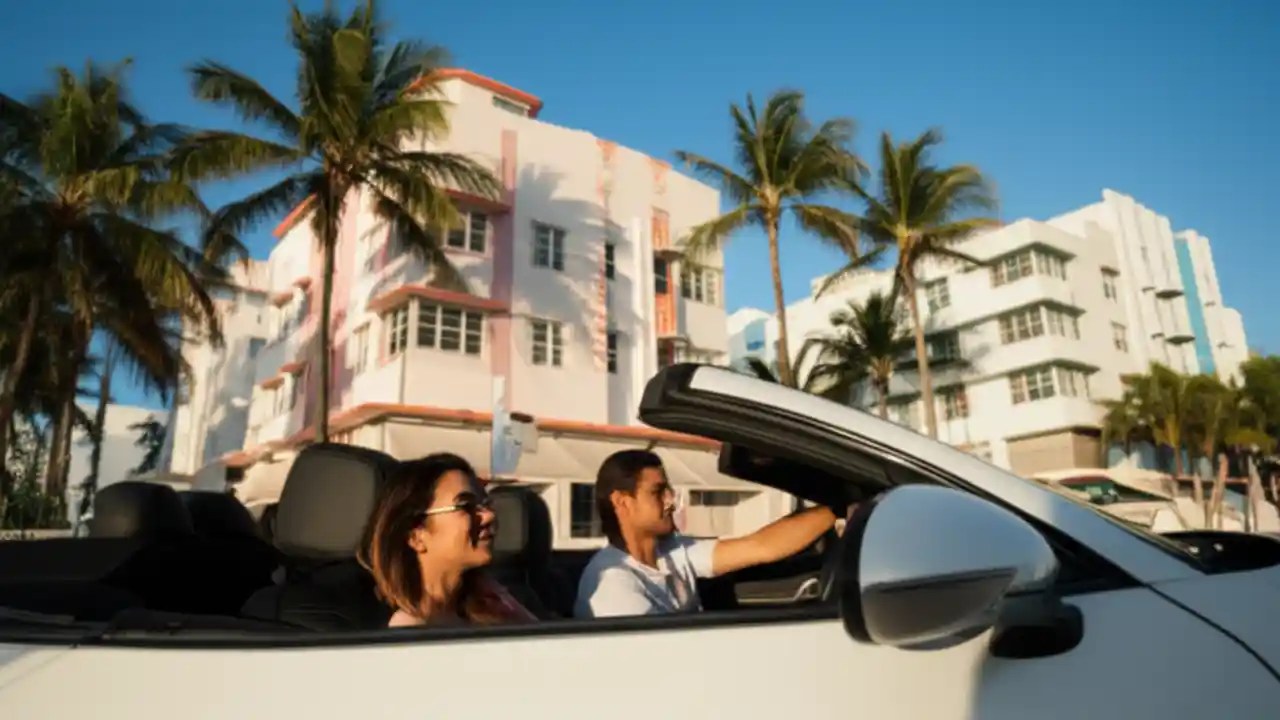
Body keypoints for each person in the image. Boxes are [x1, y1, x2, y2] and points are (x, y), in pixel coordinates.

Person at [574, 449, 840, 618]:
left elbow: (761, 547)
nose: (671, 500)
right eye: (657, 492)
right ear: (622, 502)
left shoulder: (672, 552)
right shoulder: (613, 584)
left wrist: (840, 508)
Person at [359, 453, 536, 627]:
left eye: (486, 504)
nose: (489, 516)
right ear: (416, 537)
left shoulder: (493, 606)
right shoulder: (411, 631)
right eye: (466, 506)